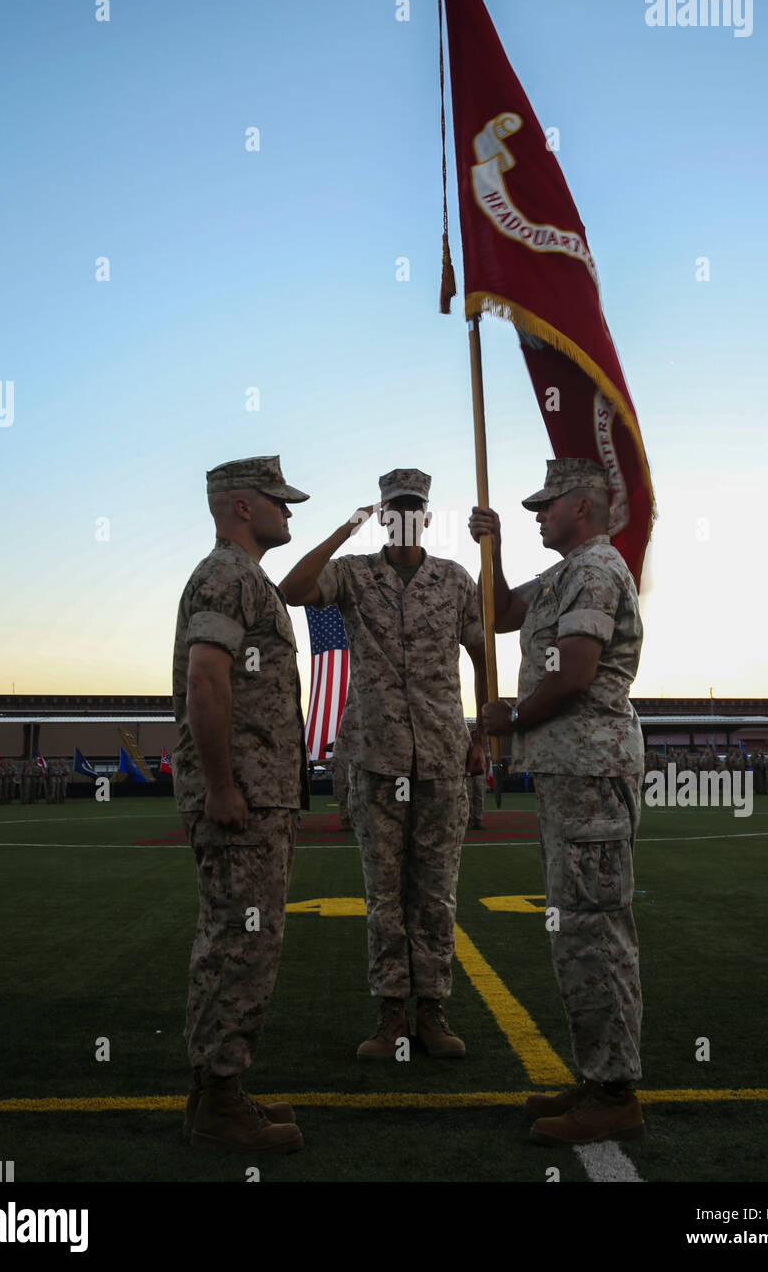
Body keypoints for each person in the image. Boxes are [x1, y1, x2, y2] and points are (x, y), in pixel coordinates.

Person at [281, 468, 487, 1059]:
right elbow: (293, 589)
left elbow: (481, 653)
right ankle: (390, 1014)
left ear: (426, 514)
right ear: (382, 510)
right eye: (393, 506)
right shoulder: (352, 574)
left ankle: (433, 1012)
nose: (404, 514)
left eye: (414, 506)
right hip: (375, 756)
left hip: (443, 754)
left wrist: (481, 739)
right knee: (384, 893)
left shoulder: (454, 579)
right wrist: (348, 527)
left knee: (437, 891)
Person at [470, 458, 646, 1145]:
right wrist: (494, 547)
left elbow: (574, 672)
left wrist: (511, 718)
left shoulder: (595, 568)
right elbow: (500, 612)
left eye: (546, 505)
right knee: (579, 927)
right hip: (571, 773)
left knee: (595, 931)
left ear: (581, 504)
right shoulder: (562, 574)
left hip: (590, 769)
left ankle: (615, 1092)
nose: (537, 514)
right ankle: (599, 1076)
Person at [172, 455, 310, 1155]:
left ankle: (217, 1091)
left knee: (242, 944)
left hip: (258, 797)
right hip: (242, 801)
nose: (291, 512)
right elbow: (206, 681)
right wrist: (223, 786)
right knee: (238, 945)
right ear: (244, 508)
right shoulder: (227, 575)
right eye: (280, 501)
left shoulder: (244, 578)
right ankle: (219, 1101)